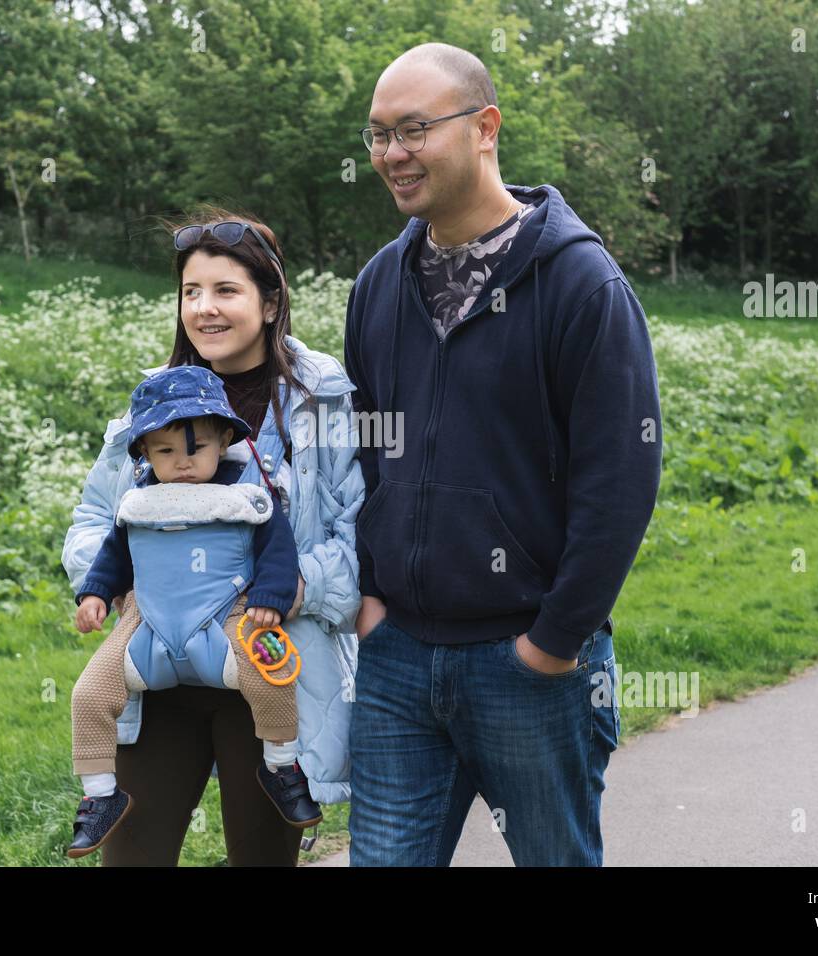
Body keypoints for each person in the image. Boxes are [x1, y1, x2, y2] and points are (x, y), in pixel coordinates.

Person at [344, 42, 663, 866]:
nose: (392, 155)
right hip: (396, 659)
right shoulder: (378, 284)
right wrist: (368, 598)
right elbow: (360, 454)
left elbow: (619, 482)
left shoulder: (580, 282)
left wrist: (553, 643)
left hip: (530, 665)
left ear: (484, 128)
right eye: (378, 136)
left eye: (413, 129)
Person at [61, 209, 364, 866]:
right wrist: (119, 584)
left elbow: (358, 542)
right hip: (157, 672)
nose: (204, 310)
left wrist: (293, 588)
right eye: (191, 292)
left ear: (271, 299)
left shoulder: (323, 401)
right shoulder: (155, 401)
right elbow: (92, 523)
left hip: (261, 671)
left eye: (225, 291)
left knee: (261, 857)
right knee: (131, 859)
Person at [65, 367, 316, 859]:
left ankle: (282, 765)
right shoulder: (137, 504)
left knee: (272, 676)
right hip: (146, 620)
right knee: (89, 694)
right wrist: (94, 594)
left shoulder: (246, 497)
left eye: (195, 449)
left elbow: (278, 553)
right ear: (143, 453)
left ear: (223, 441)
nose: (181, 464)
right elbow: (113, 557)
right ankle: (99, 795)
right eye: (164, 452)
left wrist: (270, 597)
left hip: (228, 617)